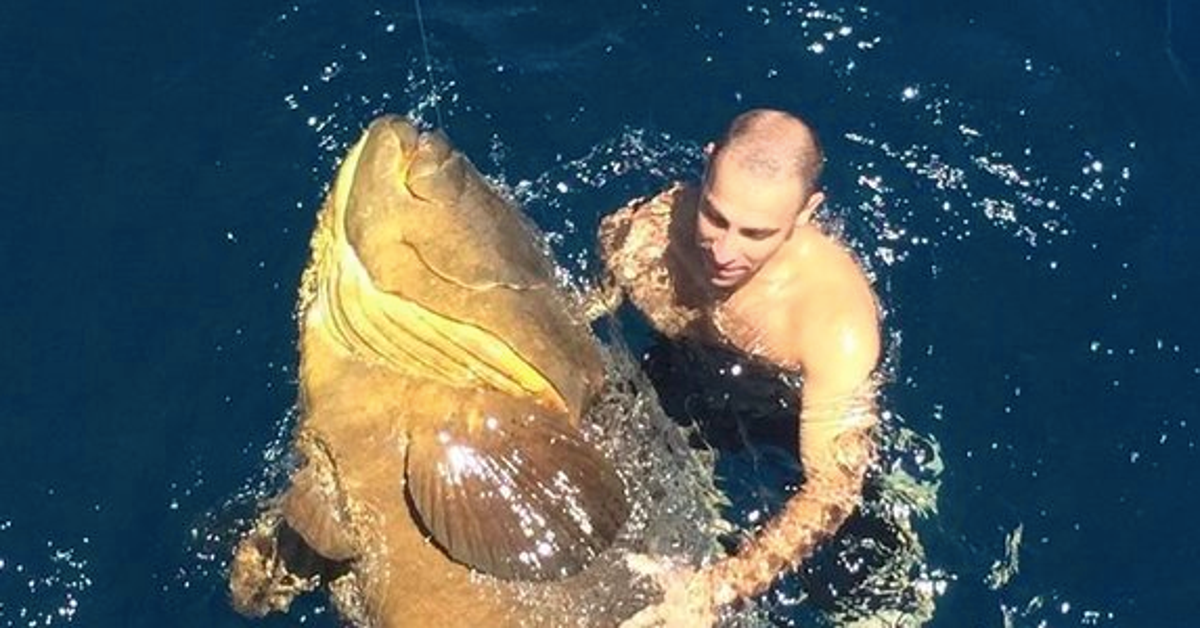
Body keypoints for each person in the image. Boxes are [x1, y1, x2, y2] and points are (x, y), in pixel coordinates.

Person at [589, 108, 883, 626]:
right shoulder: (648, 229)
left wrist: (720, 587)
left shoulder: (835, 323)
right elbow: (595, 303)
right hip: (679, 368)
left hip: (779, 411)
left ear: (806, 212)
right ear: (706, 169)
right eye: (715, 217)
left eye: (756, 234)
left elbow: (833, 486)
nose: (724, 252)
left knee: (863, 577)